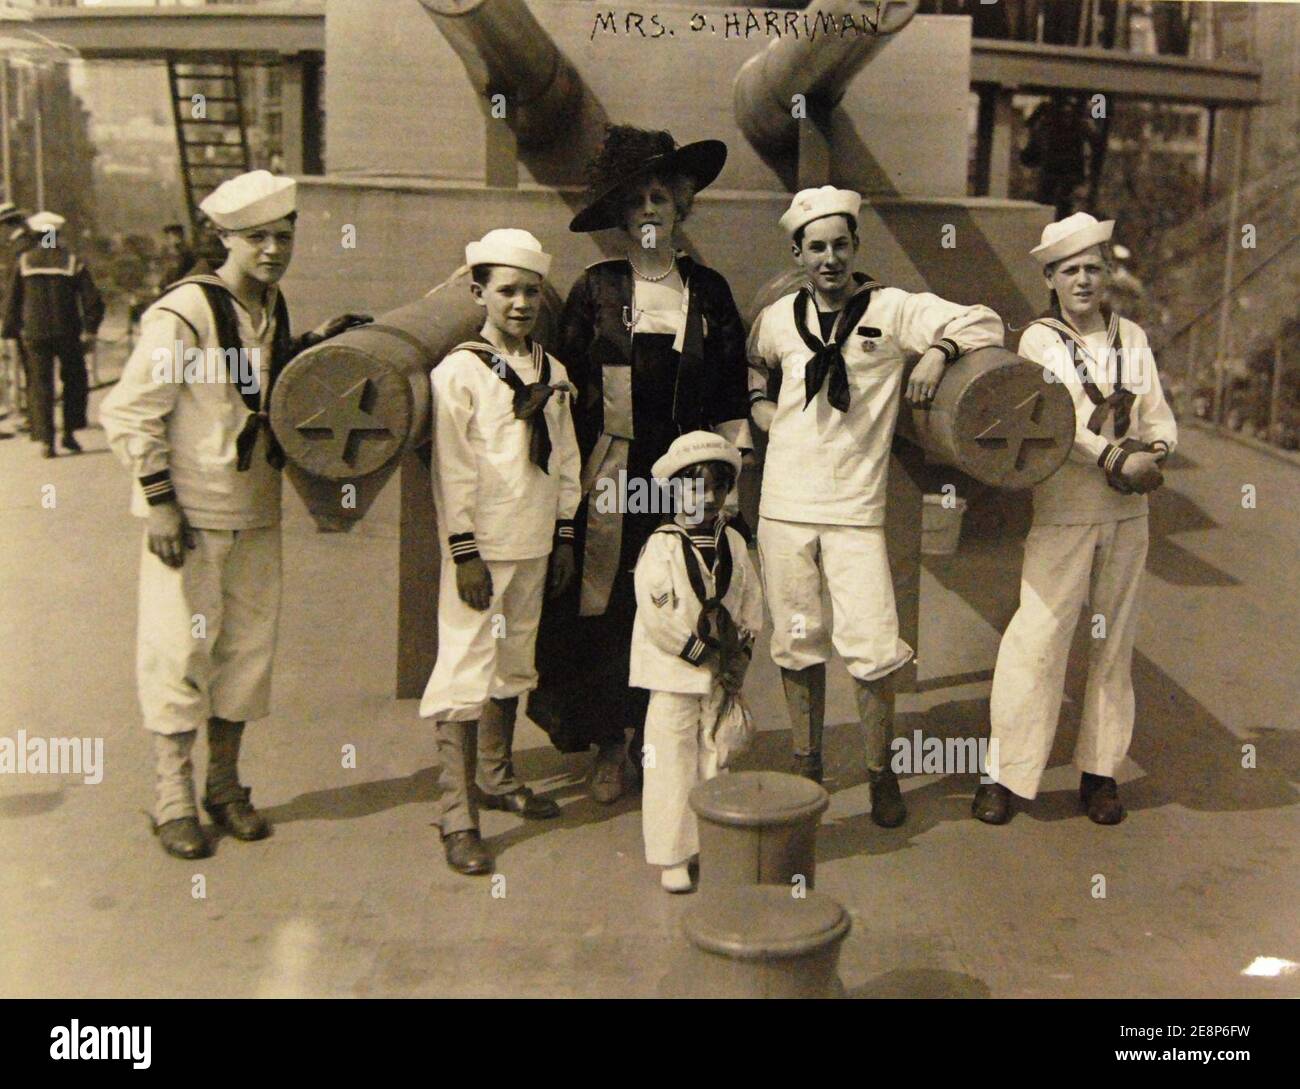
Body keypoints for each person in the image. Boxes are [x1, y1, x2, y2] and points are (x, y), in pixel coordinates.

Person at [100, 169, 370, 860]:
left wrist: (314, 345)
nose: (274, 250)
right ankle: (171, 795)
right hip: (189, 514)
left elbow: (254, 384)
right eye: (257, 238)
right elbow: (130, 411)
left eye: (283, 236)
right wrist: (160, 503)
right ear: (222, 238)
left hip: (254, 508)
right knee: (178, 648)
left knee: (245, 650)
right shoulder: (184, 310)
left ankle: (224, 784)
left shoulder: (269, 305)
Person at [747, 186, 1004, 825]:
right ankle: (808, 768)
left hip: (857, 509)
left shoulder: (890, 309)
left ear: (855, 248)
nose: (829, 258)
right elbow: (755, 362)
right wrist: (760, 407)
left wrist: (940, 351)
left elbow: (983, 320)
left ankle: (879, 773)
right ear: (798, 253)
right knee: (797, 640)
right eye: (816, 247)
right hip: (784, 506)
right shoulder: (780, 317)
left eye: (840, 245)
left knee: (872, 645)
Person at [529, 125, 752, 804]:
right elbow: (562, 392)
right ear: (622, 220)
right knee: (612, 603)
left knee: (683, 597)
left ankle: (672, 740)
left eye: (661, 198)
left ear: (679, 207)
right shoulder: (596, 289)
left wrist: (732, 485)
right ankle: (609, 744)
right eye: (636, 203)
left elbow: (731, 394)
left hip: (689, 475)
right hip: (614, 478)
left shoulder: (709, 294)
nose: (650, 212)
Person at [973, 212, 1177, 826]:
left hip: (1127, 512)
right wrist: (1117, 455)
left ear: (1107, 274)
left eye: (1094, 268)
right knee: (1036, 638)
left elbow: (1157, 415)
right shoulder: (1038, 339)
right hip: (1064, 509)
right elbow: (1057, 418)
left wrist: (1155, 452)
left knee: (1113, 643)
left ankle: (1099, 773)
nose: (1084, 280)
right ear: (1051, 279)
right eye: (1070, 271)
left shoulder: (1132, 337)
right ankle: (1005, 775)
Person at [420, 229, 581, 877]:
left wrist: (566, 530)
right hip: (481, 549)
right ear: (478, 292)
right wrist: (464, 551)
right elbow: (452, 469)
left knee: (513, 662)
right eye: (506, 290)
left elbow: (564, 457)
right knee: (464, 670)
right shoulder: (458, 371)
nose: (520, 303)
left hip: (534, 539)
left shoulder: (553, 369)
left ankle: (495, 772)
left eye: (531, 290)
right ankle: (457, 813)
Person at [631, 432, 763, 893]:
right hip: (674, 672)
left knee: (716, 754)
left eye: (715, 489)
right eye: (692, 489)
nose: (705, 500)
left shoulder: (734, 544)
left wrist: (741, 652)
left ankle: (713, 841)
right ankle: (673, 854)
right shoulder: (662, 547)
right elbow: (657, 615)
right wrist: (699, 653)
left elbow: (749, 600)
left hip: (719, 672)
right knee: (670, 759)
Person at [2, 211, 104, 458]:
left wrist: (10, 330)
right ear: (56, 234)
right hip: (68, 332)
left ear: (36, 235)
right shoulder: (72, 261)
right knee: (75, 382)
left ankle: (46, 440)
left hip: (35, 333)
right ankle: (69, 434)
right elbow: (93, 301)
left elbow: (12, 299)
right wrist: (90, 330)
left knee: (39, 384)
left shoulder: (24, 261)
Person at [158, 223, 197, 292]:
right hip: (174, 288)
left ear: (181, 236)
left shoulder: (187, 254)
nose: (172, 239)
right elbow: (167, 273)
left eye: (176, 235)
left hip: (185, 288)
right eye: (170, 237)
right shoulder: (168, 255)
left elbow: (178, 272)